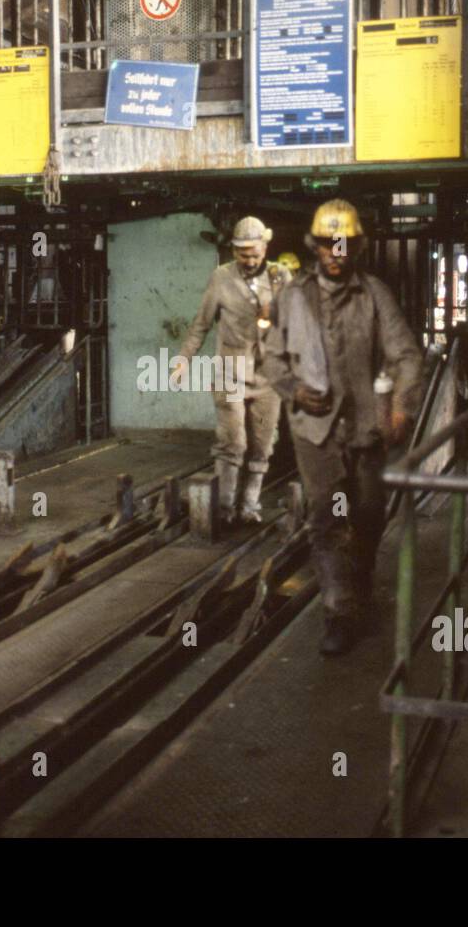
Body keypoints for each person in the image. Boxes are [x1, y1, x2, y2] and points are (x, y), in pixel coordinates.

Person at [262, 199, 424, 656]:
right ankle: (339, 612)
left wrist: (401, 408)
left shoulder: (373, 295)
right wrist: (294, 390)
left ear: (356, 246)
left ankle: (361, 585)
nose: (337, 252)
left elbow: (406, 355)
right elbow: (272, 359)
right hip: (315, 433)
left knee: (369, 517)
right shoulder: (292, 298)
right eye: (329, 244)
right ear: (315, 247)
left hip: (365, 430)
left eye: (345, 244)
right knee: (328, 520)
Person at [178, 216, 292, 523]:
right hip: (229, 371)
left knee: (263, 445)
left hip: (268, 377)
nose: (250, 260)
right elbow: (200, 324)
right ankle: (225, 509)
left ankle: (250, 506)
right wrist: (183, 358)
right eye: (244, 255)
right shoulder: (221, 278)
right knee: (233, 442)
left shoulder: (281, 277)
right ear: (234, 251)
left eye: (255, 254)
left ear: (265, 247)